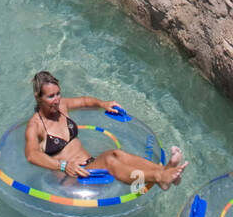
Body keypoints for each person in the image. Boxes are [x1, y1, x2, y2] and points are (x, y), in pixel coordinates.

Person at [22, 71, 187, 190]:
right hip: (72, 177)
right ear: (38, 97)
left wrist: (103, 104)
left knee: (116, 154)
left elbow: (85, 101)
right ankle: (160, 177)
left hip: (90, 165)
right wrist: (63, 166)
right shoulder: (35, 126)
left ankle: (163, 171)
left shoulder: (62, 105)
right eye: (51, 96)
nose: (57, 100)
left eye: (58, 94)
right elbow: (32, 155)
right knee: (110, 160)